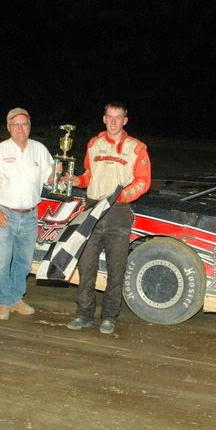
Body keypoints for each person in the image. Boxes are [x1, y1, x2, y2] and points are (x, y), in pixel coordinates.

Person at [64, 102, 151, 334]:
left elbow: (143, 181)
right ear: (103, 119)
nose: (113, 121)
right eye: (109, 117)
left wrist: (118, 197)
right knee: (86, 266)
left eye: (118, 117)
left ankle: (109, 317)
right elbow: (88, 175)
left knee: (116, 269)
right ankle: (84, 315)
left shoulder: (136, 147)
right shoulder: (94, 144)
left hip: (118, 213)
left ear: (125, 120)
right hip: (92, 210)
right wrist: (76, 181)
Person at [0, 107, 56, 321]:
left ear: (30, 126)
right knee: (2, 262)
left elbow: (50, 179)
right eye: (16, 124)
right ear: (8, 127)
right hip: (5, 214)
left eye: (24, 123)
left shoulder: (39, 149)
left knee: (24, 262)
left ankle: (17, 298)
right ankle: (4, 302)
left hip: (30, 215)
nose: (20, 128)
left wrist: (58, 175)